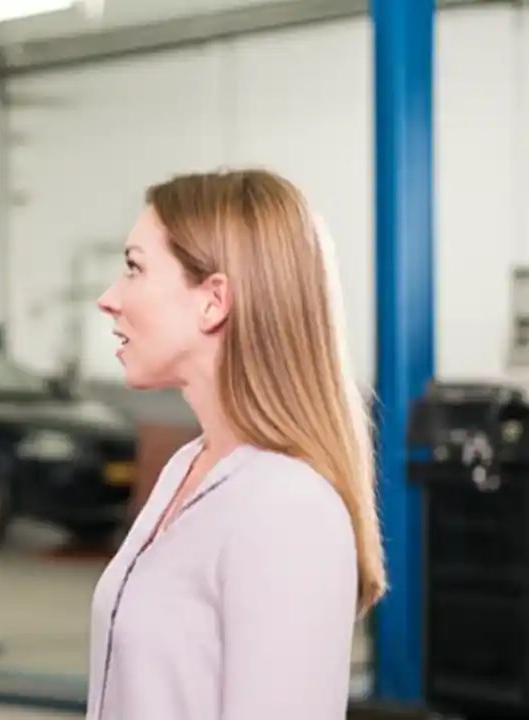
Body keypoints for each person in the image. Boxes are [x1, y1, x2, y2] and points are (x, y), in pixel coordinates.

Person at [87, 169, 384, 720]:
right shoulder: (187, 467)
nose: (109, 299)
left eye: (134, 268)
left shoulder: (287, 508)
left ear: (214, 300)